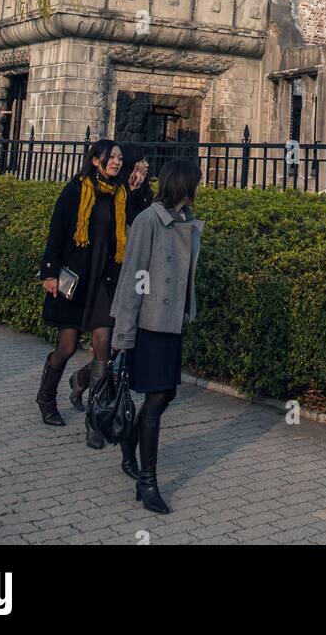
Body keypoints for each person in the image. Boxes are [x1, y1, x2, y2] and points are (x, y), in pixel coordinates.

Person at [35, 140, 151, 467]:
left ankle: (96, 421)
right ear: (96, 160)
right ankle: (46, 398)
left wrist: (139, 188)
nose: (117, 162)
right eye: (111, 157)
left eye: (120, 158)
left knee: (103, 346)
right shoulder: (76, 190)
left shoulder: (121, 193)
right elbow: (57, 232)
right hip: (76, 279)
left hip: (105, 280)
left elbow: (142, 217)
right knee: (67, 347)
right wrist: (49, 272)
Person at [111, 157, 203, 514]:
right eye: (194, 182)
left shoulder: (186, 221)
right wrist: (124, 333)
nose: (198, 188)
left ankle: (127, 445)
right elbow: (133, 277)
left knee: (165, 396)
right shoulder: (149, 220)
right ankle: (147, 481)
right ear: (182, 185)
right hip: (149, 323)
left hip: (171, 323)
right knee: (154, 400)